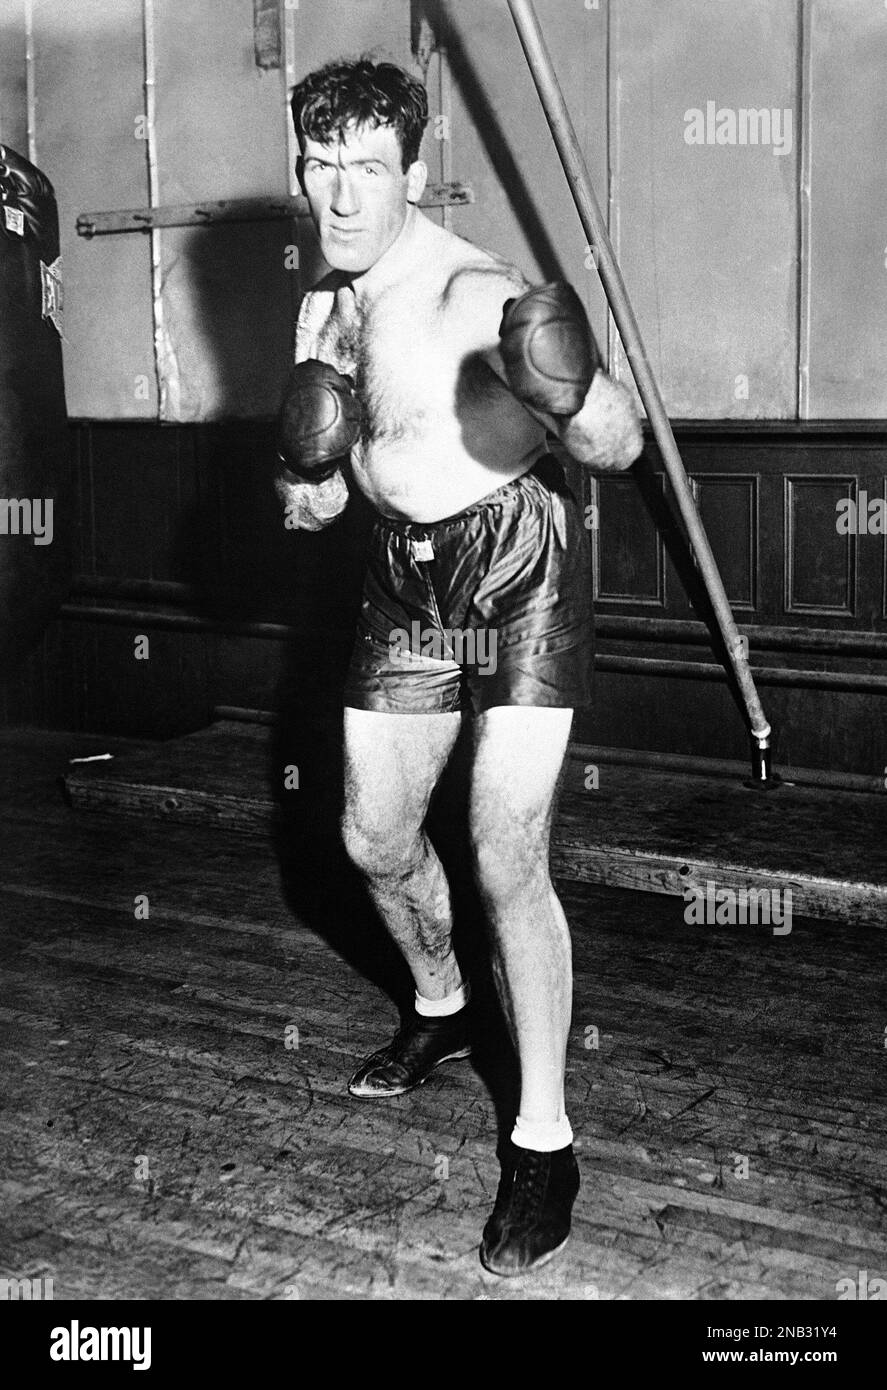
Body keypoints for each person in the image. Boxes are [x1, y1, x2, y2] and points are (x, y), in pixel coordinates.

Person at [276, 56, 642, 1276]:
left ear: (414, 173)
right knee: (371, 839)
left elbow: (618, 437)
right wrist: (309, 452)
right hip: (401, 577)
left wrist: (568, 386)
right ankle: (440, 1006)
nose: (340, 197)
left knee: (501, 851)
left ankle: (543, 1142)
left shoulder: (473, 291)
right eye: (320, 169)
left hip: (517, 567)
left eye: (366, 171)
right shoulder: (321, 305)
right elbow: (310, 511)